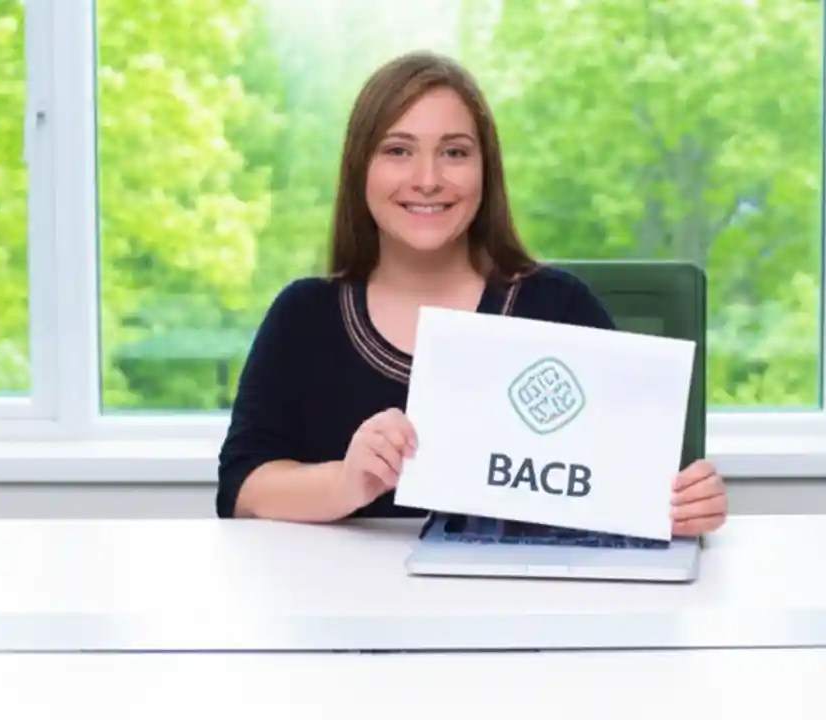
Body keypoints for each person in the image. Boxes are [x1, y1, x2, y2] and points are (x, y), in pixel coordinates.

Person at [216, 50, 727, 537]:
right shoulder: (304, 317)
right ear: (360, 170)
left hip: (528, 614)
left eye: (455, 153)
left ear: (486, 171)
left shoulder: (559, 308)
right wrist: (348, 482)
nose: (428, 179)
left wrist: (688, 502)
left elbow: (638, 483)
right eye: (398, 151)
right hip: (350, 615)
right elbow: (243, 489)